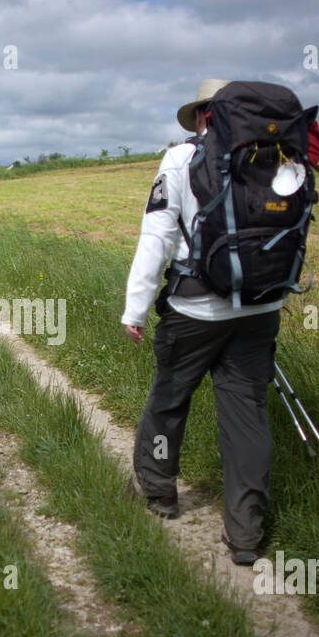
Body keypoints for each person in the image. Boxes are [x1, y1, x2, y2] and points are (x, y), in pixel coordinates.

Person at [122, 78, 284, 566]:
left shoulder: (180, 159)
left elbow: (157, 237)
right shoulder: (277, 159)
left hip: (194, 309)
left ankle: (159, 492)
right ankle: (246, 534)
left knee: (169, 398)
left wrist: (136, 308)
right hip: (260, 309)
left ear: (201, 117)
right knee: (248, 415)